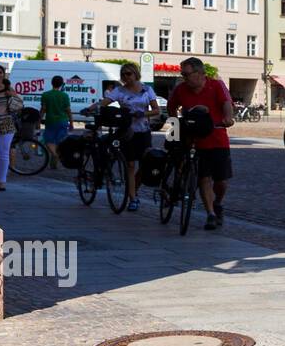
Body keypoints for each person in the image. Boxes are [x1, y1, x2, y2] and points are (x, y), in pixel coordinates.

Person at [167, 58, 235, 230]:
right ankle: (210, 213)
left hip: (217, 137)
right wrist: (175, 128)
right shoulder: (181, 89)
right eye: (182, 74)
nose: (184, 78)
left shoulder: (216, 86)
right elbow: (171, 107)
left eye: (187, 74)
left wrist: (227, 118)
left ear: (199, 73)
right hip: (193, 139)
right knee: (203, 177)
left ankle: (218, 202)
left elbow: (227, 103)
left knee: (221, 180)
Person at [85, 63, 160, 210]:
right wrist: (90, 109)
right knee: (130, 165)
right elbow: (104, 103)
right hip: (127, 131)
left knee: (145, 164)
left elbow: (156, 110)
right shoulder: (119, 91)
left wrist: (143, 113)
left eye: (129, 74)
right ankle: (132, 198)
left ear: (135, 74)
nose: (126, 77)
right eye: (124, 74)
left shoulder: (147, 89)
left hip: (143, 130)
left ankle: (134, 189)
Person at [0, 65, 23, 192]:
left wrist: (12, 95)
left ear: (4, 74)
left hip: (6, 123)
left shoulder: (8, 89)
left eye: (0, 72)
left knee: (4, 154)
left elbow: (20, 103)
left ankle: (2, 181)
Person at [40, 75, 74, 169]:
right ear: (61, 84)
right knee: (59, 142)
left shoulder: (46, 95)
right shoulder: (64, 95)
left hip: (51, 121)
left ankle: (55, 155)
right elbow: (68, 110)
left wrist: (39, 120)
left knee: (48, 141)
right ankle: (53, 164)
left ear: (52, 83)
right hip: (63, 121)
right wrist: (71, 123)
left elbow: (43, 109)